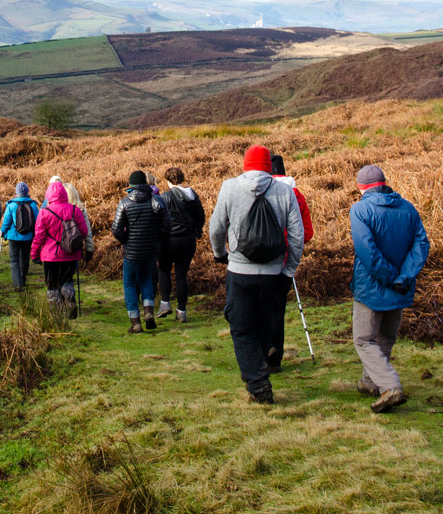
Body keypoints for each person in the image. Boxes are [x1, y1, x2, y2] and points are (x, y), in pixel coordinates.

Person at [209, 145, 304, 404]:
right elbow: (297, 236)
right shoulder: (285, 191)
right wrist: (289, 270)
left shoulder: (229, 187)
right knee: (263, 324)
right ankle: (259, 368)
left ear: (245, 164)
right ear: (268, 166)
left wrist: (220, 254)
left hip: (240, 270)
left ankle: (258, 384)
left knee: (240, 327)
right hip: (274, 273)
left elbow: (216, 228)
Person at [349, 164, 429, 413]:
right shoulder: (407, 208)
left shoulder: (360, 209)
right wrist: (404, 276)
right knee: (384, 337)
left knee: (363, 339)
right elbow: (421, 244)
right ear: (384, 182)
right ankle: (370, 382)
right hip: (401, 285)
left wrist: (387, 276)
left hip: (372, 286)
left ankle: (389, 385)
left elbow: (366, 250)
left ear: (361, 186)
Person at [264, 154, 315, 371]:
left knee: (260, 307)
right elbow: (307, 233)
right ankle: (276, 356)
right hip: (286, 261)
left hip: (262, 259)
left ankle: (264, 350)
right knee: (278, 309)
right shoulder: (296, 194)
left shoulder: (261, 191)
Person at [112, 169, 170, 333]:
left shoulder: (124, 203)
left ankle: (135, 322)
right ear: (144, 183)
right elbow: (167, 225)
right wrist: (156, 239)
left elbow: (116, 230)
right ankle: (149, 312)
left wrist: (126, 240)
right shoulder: (157, 201)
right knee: (146, 280)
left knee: (129, 284)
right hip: (151, 249)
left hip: (131, 250)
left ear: (130, 185)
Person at [31, 180, 89, 318]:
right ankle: (70, 303)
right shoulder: (74, 210)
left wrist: (34, 254)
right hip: (70, 253)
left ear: (49, 195)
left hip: (50, 255)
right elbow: (84, 232)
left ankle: (55, 312)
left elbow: (39, 236)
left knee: (52, 284)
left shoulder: (44, 212)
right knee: (67, 280)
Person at [157, 167, 205, 323]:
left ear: (167, 180)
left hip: (169, 240)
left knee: (164, 270)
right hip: (187, 240)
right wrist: (195, 229)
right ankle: (182, 311)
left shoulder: (164, 197)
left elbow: (159, 219)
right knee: (181, 275)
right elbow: (201, 216)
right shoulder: (192, 195)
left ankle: (165, 303)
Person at [2, 182, 40, 290]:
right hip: (28, 236)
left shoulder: (11, 205)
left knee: (14, 260)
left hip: (13, 236)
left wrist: (3, 231)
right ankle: (23, 278)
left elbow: (6, 221)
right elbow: (37, 222)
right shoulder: (33, 205)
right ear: (27, 192)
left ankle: (17, 283)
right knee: (24, 258)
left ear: (16, 192)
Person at [48, 175, 96, 257]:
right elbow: (86, 232)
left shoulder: (54, 210)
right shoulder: (80, 210)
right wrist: (89, 248)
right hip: (74, 248)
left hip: (55, 251)